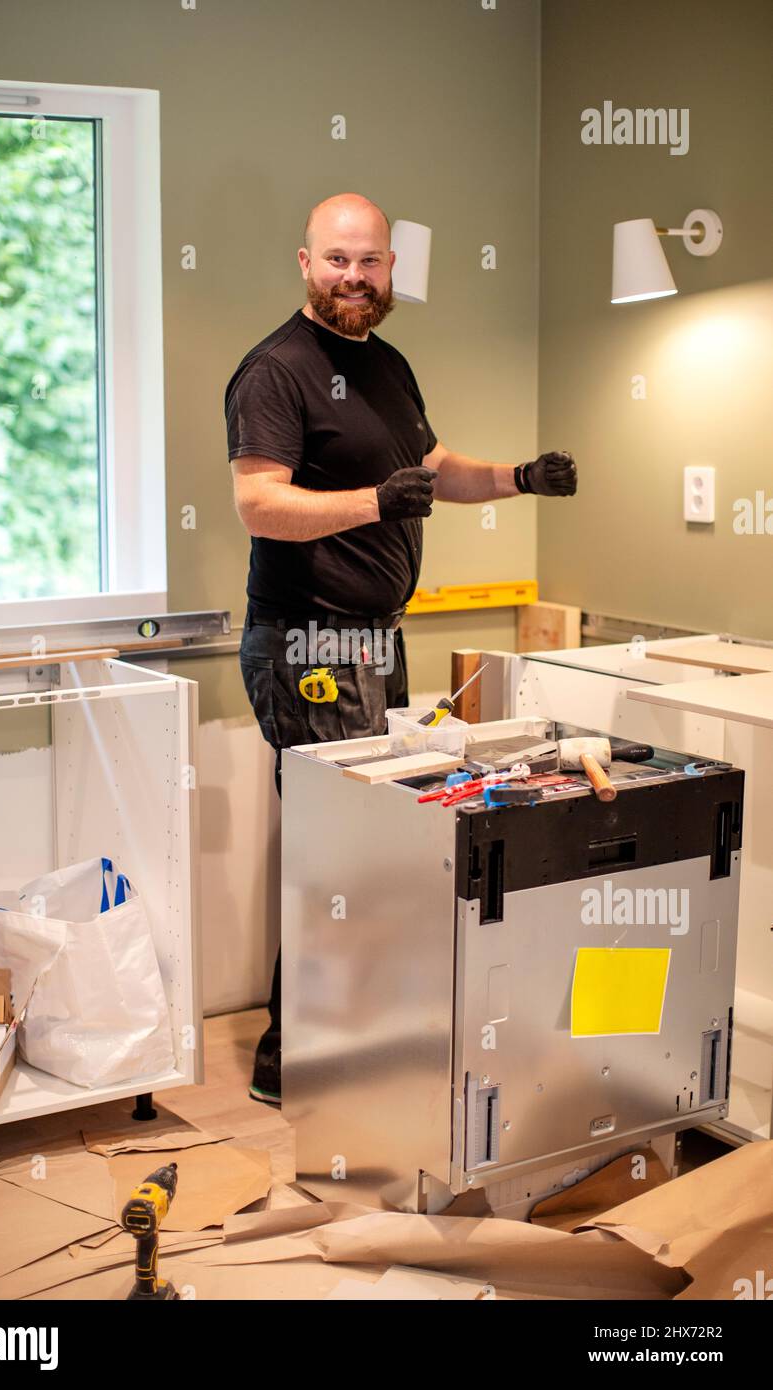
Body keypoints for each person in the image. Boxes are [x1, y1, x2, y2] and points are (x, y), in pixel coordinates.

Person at [225, 192, 577, 1105]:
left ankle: (347, 1042)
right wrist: (374, 503)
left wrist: (515, 479)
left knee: (373, 846)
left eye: (371, 261)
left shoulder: (385, 363)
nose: (355, 276)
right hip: (308, 640)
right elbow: (260, 503)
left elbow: (434, 465)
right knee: (337, 850)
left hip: (375, 640)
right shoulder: (276, 370)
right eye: (338, 259)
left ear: (390, 270)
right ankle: (293, 1059)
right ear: (306, 262)